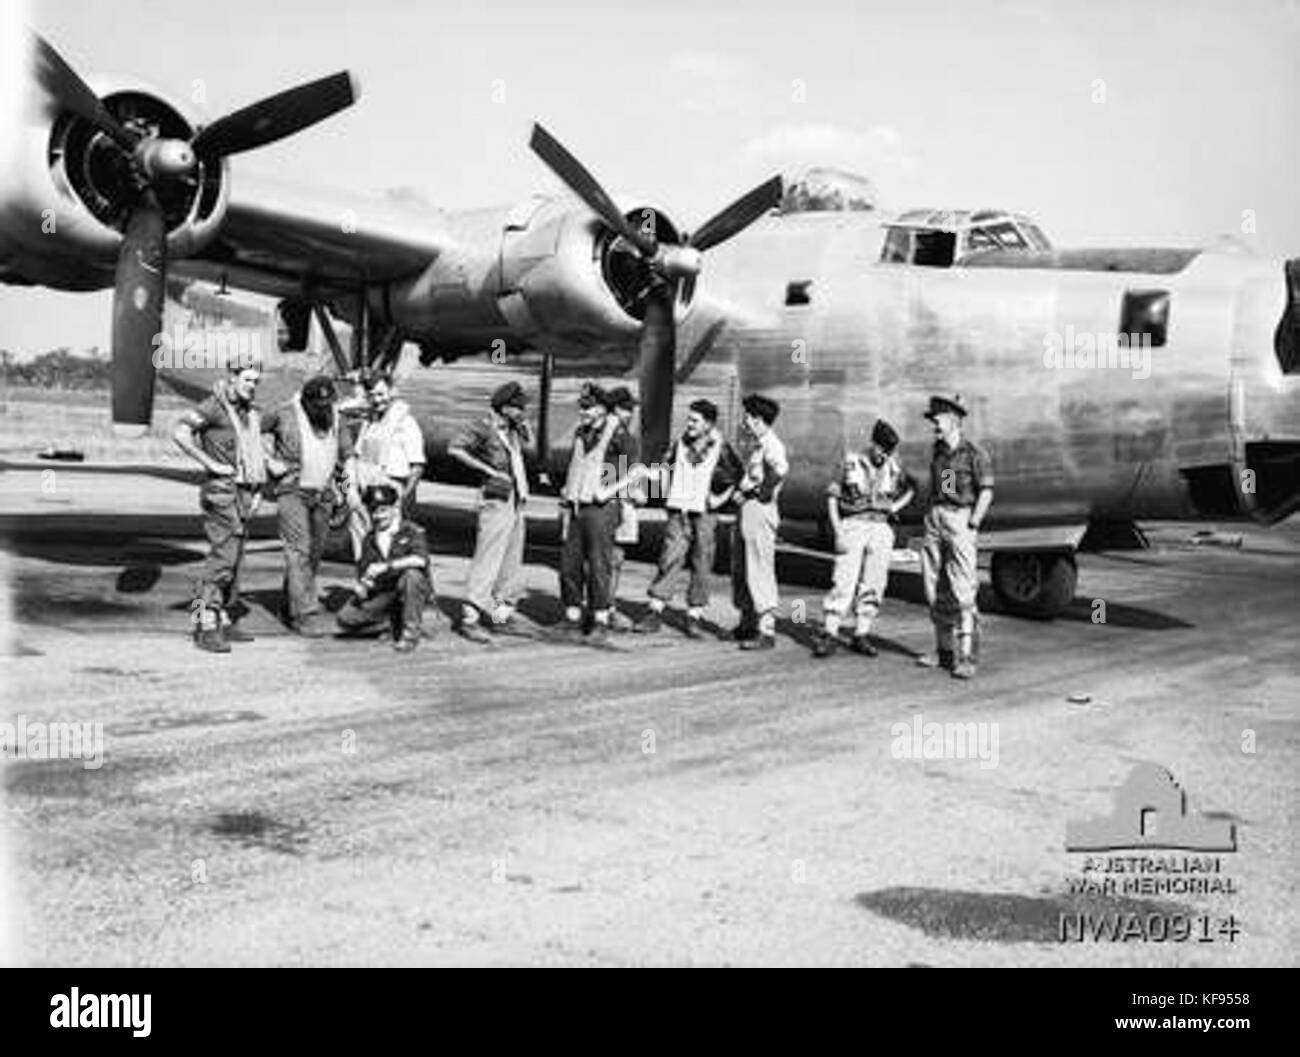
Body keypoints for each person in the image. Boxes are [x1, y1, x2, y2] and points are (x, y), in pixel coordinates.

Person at [173, 358, 267, 653]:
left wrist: (258, 490)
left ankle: (224, 617)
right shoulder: (213, 406)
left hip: (245, 492)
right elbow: (180, 433)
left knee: (235, 562)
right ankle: (205, 623)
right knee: (221, 561)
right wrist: (210, 463)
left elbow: (254, 452)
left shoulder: (249, 412)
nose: (252, 386)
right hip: (222, 492)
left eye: (256, 381)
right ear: (233, 378)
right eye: (248, 380)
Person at [634, 398, 743, 637]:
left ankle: (694, 615)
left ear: (709, 424)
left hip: (704, 513)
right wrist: (647, 487)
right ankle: (655, 610)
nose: (689, 424)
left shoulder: (721, 447)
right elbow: (664, 467)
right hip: (678, 509)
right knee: (670, 557)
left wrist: (719, 499)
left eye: (695, 420)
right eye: (689, 419)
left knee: (702, 562)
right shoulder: (680, 443)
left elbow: (738, 478)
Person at [812, 419, 915, 658]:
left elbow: (912, 488)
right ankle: (829, 633)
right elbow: (832, 495)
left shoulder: (894, 467)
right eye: (881, 449)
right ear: (873, 444)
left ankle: (861, 633)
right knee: (843, 580)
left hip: (880, 526)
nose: (884, 454)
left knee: (874, 583)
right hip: (854, 524)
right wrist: (837, 528)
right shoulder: (851, 463)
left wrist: (893, 508)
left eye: (888, 451)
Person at [262, 375, 356, 637]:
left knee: (313, 555)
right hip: (293, 491)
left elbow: (347, 459)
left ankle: (288, 605)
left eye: (328, 404)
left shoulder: (336, 418)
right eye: (319, 406)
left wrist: (346, 493)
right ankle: (304, 614)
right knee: (299, 551)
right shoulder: (283, 414)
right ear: (305, 402)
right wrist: (268, 460)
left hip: (324, 494)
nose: (324, 410)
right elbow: (249, 430)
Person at [915, 393, 994, 679]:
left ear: (953, 419)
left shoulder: (974, 453)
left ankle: (967, 657)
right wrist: (931, 517)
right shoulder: (938, 451)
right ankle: (944, 651)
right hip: (936, 518)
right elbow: (940, 485)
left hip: (960, 519)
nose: (933, 423)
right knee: (934, 587)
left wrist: (973, 521)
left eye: (936, 419)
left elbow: (986, 490)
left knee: (963, 590)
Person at [448, 380, 531, 643]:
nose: (522, 412)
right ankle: (470, 616)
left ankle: (500, 615)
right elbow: (455, 448)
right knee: (488, 556)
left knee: (510, 559)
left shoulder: (513, 430)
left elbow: (530, 448)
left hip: (516, 497)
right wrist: (487, 470)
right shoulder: (483, 428)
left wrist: (523, 427)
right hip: (496, 497)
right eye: (518, 408)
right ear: (504, 407)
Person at [558, 383, 632, 642]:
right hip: (577, 506)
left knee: (599, 565)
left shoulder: (619, 435)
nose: (583, 412)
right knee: (570, 564)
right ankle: (572, 617)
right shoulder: (581, 432)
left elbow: (633, 471)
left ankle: (600, 618)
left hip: (602, 509)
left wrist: (608, 491)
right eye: (582, 407)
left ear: (602, 409)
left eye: (588, 408)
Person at [336, 484, 433, 651]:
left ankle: (410, 634)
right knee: (345, 619)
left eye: (383, 510)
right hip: (385, 592)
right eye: (373, 511)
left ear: (395, 508)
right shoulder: (369, 539)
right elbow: (365, 572)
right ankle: (389, 623)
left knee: (412, 575)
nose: (378, 516)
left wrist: (386, 566)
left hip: (408, 588)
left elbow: (421, 560)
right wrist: (363, 587)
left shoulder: (410, 530)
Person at [348, 371, 426, 561]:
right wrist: (348, 491)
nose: (377, 400)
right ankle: (364, 585)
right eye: (372, 395)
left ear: (392, 392)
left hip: (390, 493)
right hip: (362, 494)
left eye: (381, 394)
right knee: (362, 546)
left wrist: (403, 499)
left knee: (387, 546)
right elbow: (353, 461)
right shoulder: (369, 423)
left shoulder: (406, 424)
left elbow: (417, 466)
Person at [732, 393, 789, 650]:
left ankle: (766, 629)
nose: (745, 420)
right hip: (748, 509)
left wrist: (759, 492)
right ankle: (747, 623)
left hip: (760, 509)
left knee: (759, 566)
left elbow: (779, 470)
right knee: (743, 565)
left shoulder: (771, 444)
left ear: (758, 419)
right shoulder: (758, 444)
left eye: (748, 415)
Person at [603, 386, 642, 631]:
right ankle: (603, 609)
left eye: (631, 409)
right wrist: (631, 491)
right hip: (611, 501)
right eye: (625, 409)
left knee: (613, 558)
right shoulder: (613, 436)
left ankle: (606, 608)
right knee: (607, 558)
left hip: (618, 499)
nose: (630, 413)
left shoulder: (625, 436)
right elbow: (611, 472)